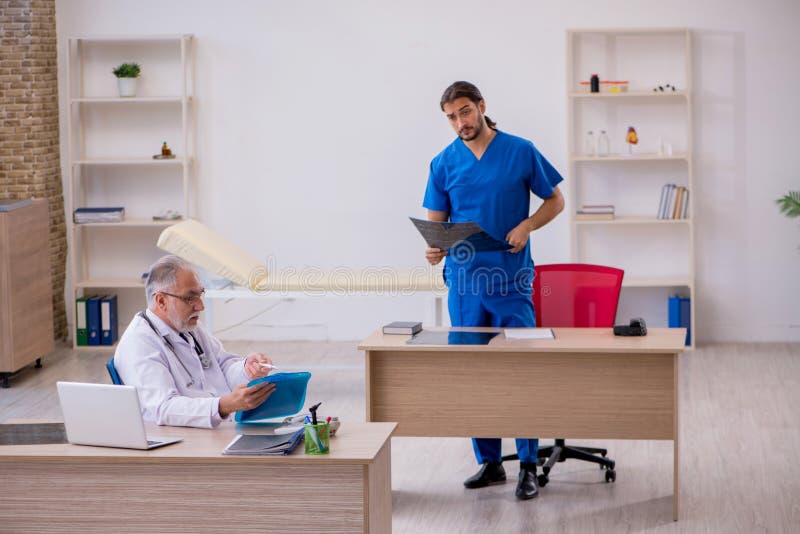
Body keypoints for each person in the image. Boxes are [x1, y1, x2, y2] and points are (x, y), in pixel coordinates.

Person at [423, 81, 564, 500]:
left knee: (521, 371)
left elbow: (554, 200)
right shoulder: (443, 162)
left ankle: (527, 465)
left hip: (510, 280)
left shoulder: (520, 150)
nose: (460, 122)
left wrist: (527, 225)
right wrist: (433, 250)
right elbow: (438, 228)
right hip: (465, 283)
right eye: (451, 117)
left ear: (482, 107)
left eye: (465, 112)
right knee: (472, 375)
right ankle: (489, 462)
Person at [115, 254, 277, 428]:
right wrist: (224, 405)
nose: (200, 306)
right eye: (190, 298)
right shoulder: (139, 343)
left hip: (222, 426)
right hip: (185, 438)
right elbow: (164, 408)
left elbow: (222, 365)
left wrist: (246, 368)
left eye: (200, 295)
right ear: (161, 301)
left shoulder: (189, 326)